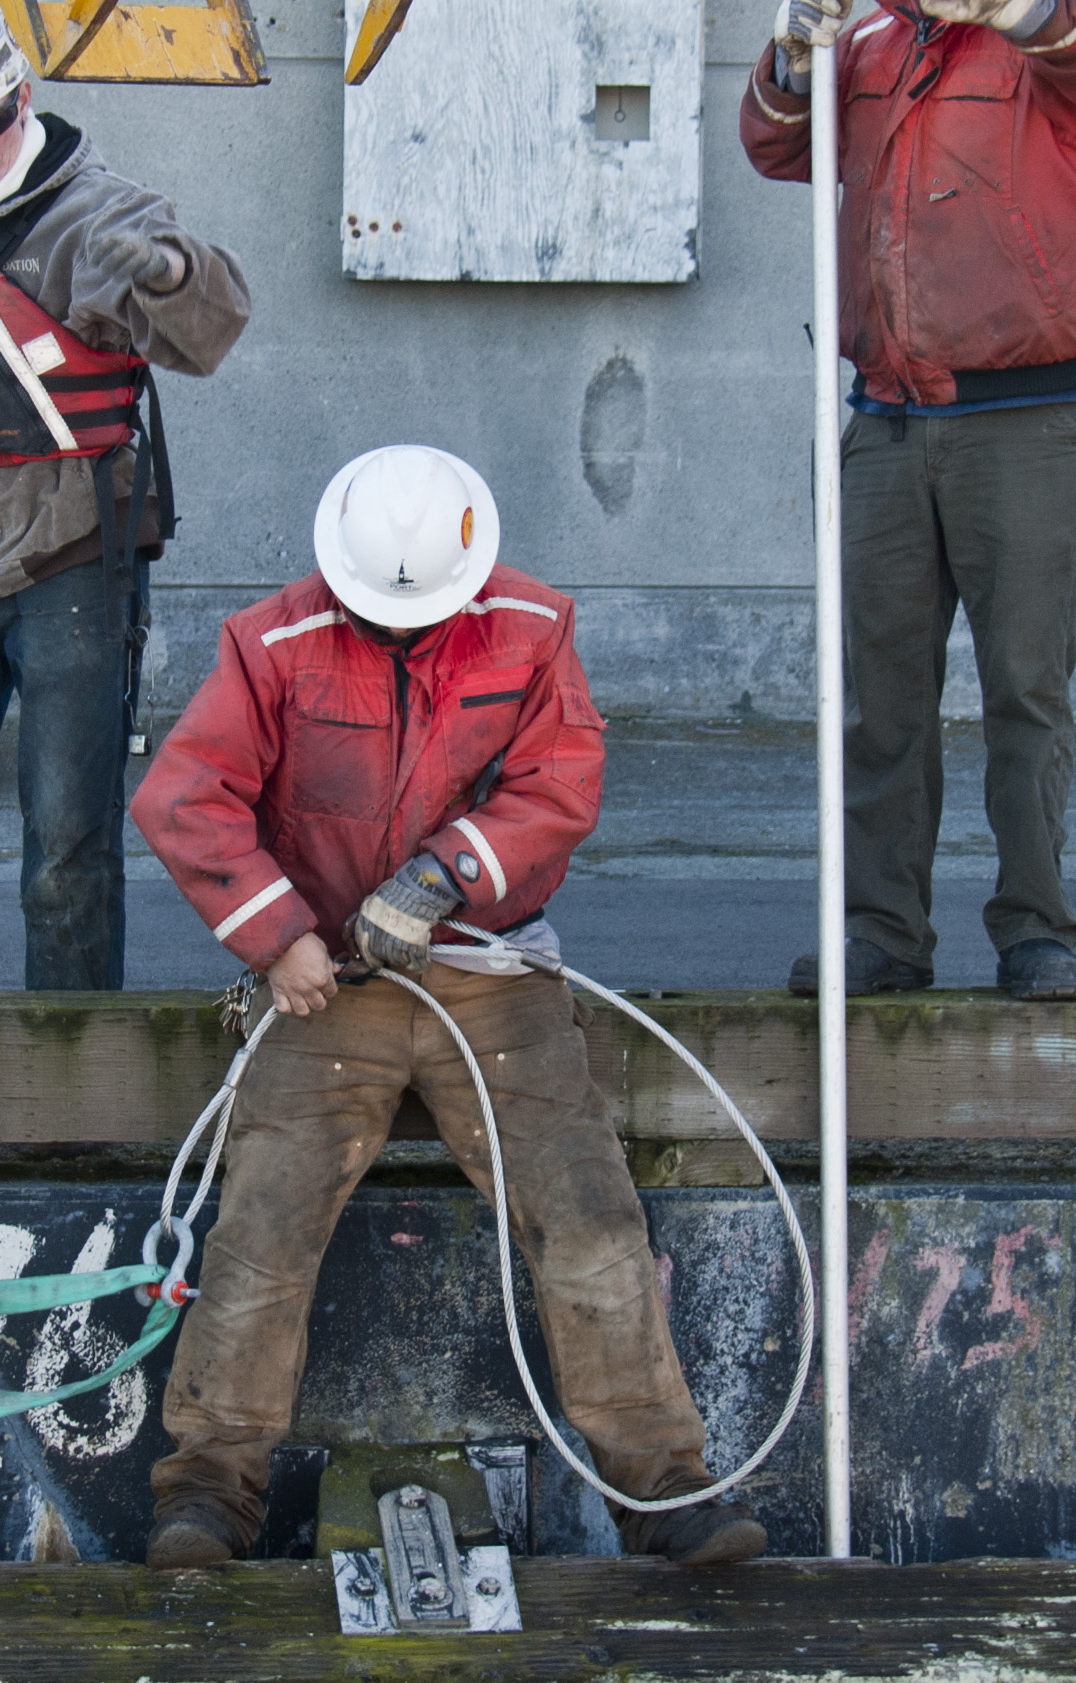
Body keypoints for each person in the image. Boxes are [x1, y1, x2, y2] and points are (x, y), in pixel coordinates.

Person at [127, 446, 766, 1570]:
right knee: (262, 1230)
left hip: (494, 975)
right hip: (328, 987)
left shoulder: (532, 625)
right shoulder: (272, 640)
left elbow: (559, 781)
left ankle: (667, 1494)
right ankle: (208, 1496)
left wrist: (441, 876)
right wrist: (280, 937)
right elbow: (186, 792)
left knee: (590, 1218)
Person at [739, 0, 1076, 1002]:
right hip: (887, 416)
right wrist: (786, 54)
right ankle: (885, 935)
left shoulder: (1068, 32)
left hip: (1019, 419)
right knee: (884, 701)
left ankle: (1038, 931)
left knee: (1026, 690)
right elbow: (773, 146)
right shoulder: (874, 41)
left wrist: (1024, 4)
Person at [0, 0, 251, 989]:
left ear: (23, 95)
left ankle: (74, 1085)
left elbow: (214, 324)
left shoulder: (102, 212)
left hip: (74, 557)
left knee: (69, 848)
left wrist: (163, 269)